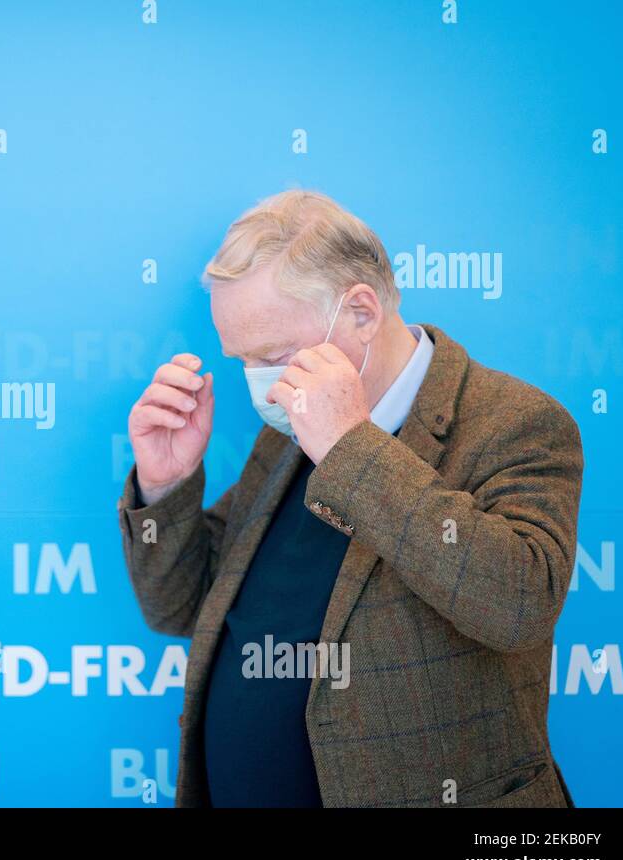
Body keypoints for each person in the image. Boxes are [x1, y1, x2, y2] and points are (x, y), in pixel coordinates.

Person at [119, 189, 583, 808]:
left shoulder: (514, 422)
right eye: (243, 361)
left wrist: (350, 447)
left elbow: (519, 604)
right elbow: (179, 607)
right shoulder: (282, 439)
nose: (262, 383)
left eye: (276, 355)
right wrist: (165, 484)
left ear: (361, 311)